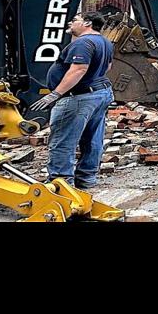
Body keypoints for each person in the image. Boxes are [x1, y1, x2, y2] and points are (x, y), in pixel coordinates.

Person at [31, 12, 114, 189]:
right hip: (100, 93)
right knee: (92, 138)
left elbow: (79, 69)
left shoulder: (83, 43)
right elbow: (108, 66)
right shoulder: (104, 41)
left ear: (87, 23)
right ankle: (86, 178)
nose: (70, 22)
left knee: (63, 141)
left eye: (75, 20)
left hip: (78, 97)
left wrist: (55, 93)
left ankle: (61, 183)